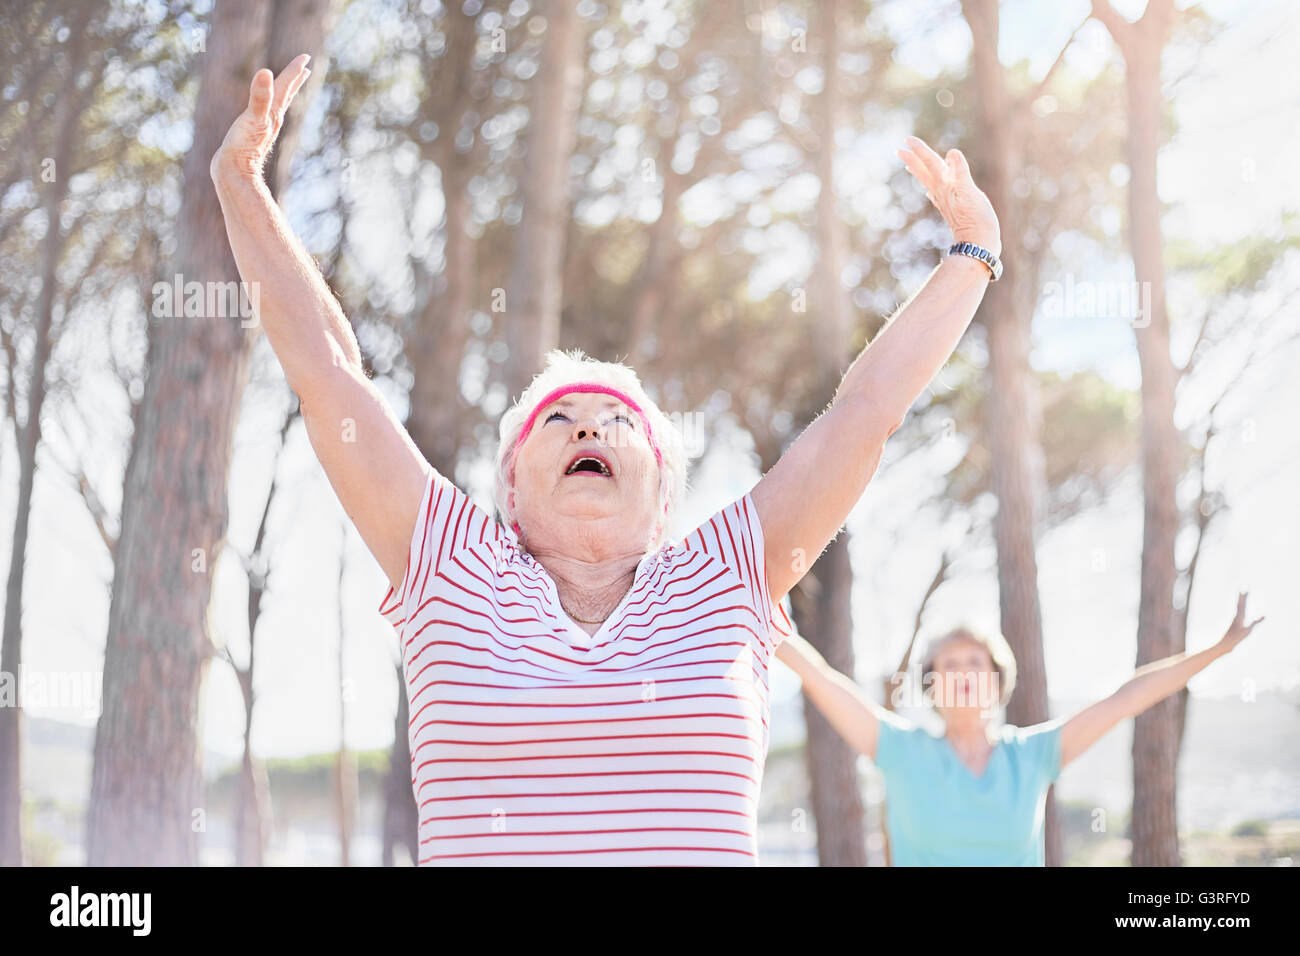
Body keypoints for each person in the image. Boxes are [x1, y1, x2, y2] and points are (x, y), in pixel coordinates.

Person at [210, 55, 1003, 865]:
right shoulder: (454, 567)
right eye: (556, 419)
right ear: (509, 490)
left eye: (618, 421)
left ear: (665, 497)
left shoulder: (728, 572)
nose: (588, 430)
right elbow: (331, 375)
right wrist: (241, 184)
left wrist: (974, 253)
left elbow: (864, 414)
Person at [776, 594, 1265, 865]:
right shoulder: (900, 750)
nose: (964, 673)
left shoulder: (1033, 754)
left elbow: (1126, 698)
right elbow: (822, 679)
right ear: (932, 686)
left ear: (997, 680)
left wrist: (1217, 651)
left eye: (975, 662)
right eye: (949, 664)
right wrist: (765, 621)